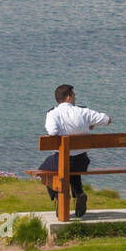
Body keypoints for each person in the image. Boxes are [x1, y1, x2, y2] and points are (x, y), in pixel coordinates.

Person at [36, 84, 110, 218]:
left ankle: (59, 197)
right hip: (82, 162)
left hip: (62, 161)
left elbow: (53, 131)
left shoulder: (53, 113)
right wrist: (88, 124)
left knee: (44, 170)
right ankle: (79, 193)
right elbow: (107, 119)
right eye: (74, 95)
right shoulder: (84, 112)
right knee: (71, 169)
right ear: (69, 98)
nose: (76, 98)